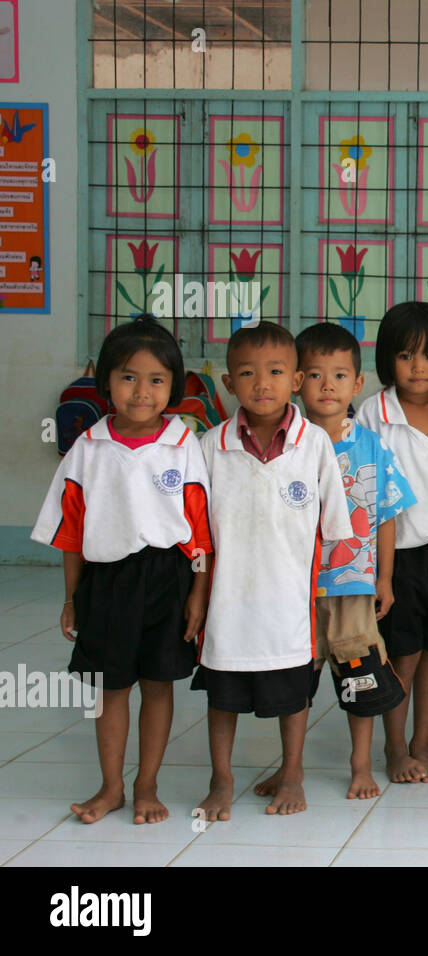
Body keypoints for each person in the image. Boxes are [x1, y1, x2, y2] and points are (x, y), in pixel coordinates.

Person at [32, 317, 211, 825]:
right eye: (128, 377)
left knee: (158, 684)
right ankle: (110, 786)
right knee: (111, 688)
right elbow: (71, 535)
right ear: (106, 381)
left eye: (156, 380)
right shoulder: (86, 449)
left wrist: (198, 594)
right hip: (107, 580)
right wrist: (72, 598)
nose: (141, 391)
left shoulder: (184, 444)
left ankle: (146, 784)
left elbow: (199, 533)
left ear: (173, 387)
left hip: (169, 578)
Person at [194, 323, 352, 820]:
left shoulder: (314, 446)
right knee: (222, 696)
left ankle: (292, 773)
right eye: (247, 372)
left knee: (292, 697)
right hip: (227, 602)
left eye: (276, 372)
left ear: (297, 379)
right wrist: (196, 596)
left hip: (288, 604)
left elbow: (335, 528)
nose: (262, 383)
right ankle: (221, 781)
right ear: (227, 382)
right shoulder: (211, 445)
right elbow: (194, 528)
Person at [288, 321, 414, 800]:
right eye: (315, 375)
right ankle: (291, 771)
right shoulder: (289, 444)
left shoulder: (370, 445)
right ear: (297, 381)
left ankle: (360, 766)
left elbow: (386, 516)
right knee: (296, 682)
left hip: (353, 587)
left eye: (339, 376)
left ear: (357, 385)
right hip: (295, 588)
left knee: (360, 679)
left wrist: (385, 577)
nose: (327, 386)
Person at [356, 302, 428, 785]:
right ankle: (396, 748)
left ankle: (423, 743)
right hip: (395, 555)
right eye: (405, 355)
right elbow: (361, 492)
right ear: (387, 359)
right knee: (402, 654)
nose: (419, 367)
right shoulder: (374, 414)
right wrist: (376, 572)